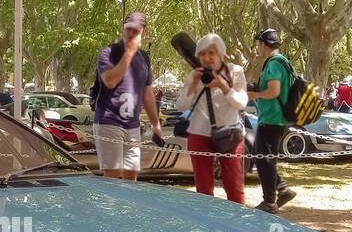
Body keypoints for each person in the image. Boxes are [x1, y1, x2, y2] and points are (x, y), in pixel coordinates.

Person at [177, 33, 248, 204]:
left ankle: (238, 224)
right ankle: (207, 225)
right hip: (199, 133)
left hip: (229, 133)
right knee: (203, 188)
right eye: (202, 54)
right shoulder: (195, 74)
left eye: (211, 53)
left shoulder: (235, 71)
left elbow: (241, 103)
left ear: (221, 53)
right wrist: (193, 83)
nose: (207, 58)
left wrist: (223, 86)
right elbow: (181, 106)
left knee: (234, 185)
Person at [92, 12, 163, 181]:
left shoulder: (144, 58)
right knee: (114, 177)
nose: (131, 33)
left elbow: (147, 94)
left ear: (144, 31)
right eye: (128, 29)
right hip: (109, 121)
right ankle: (110, 208)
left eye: (136, 30)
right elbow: (110, 80)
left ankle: (127, 209)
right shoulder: (108, 52)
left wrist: (156, 125)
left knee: (132, 176)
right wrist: (129, 53)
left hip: (132, 125)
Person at [245, 28, 297, 213]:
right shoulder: (283, 63)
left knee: (263, 159)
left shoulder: (274, 64)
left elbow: (274, 91)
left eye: (259, 44)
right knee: (262, 158)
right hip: (277, 118)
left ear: (264, 44)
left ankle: (270, 201)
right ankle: (282, 190)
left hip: (272, 118)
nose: (257, 48)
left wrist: (254, 94)